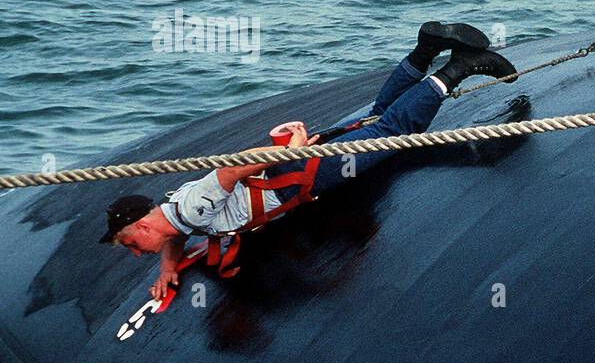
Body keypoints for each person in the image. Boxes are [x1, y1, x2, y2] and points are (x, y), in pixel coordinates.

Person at [99, 22, 517, 299]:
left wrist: (289, 150)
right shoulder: (177, 214)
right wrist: (167, 267)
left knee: (393, 131)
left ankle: (460, 68)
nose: (137, 253)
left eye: (133, 244)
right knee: (376, 115)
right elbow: (173, 234)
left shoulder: (190, 207)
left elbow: (231, 168)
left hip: (308, 173)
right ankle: (425, 50)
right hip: (298, 169)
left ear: (142, 224)